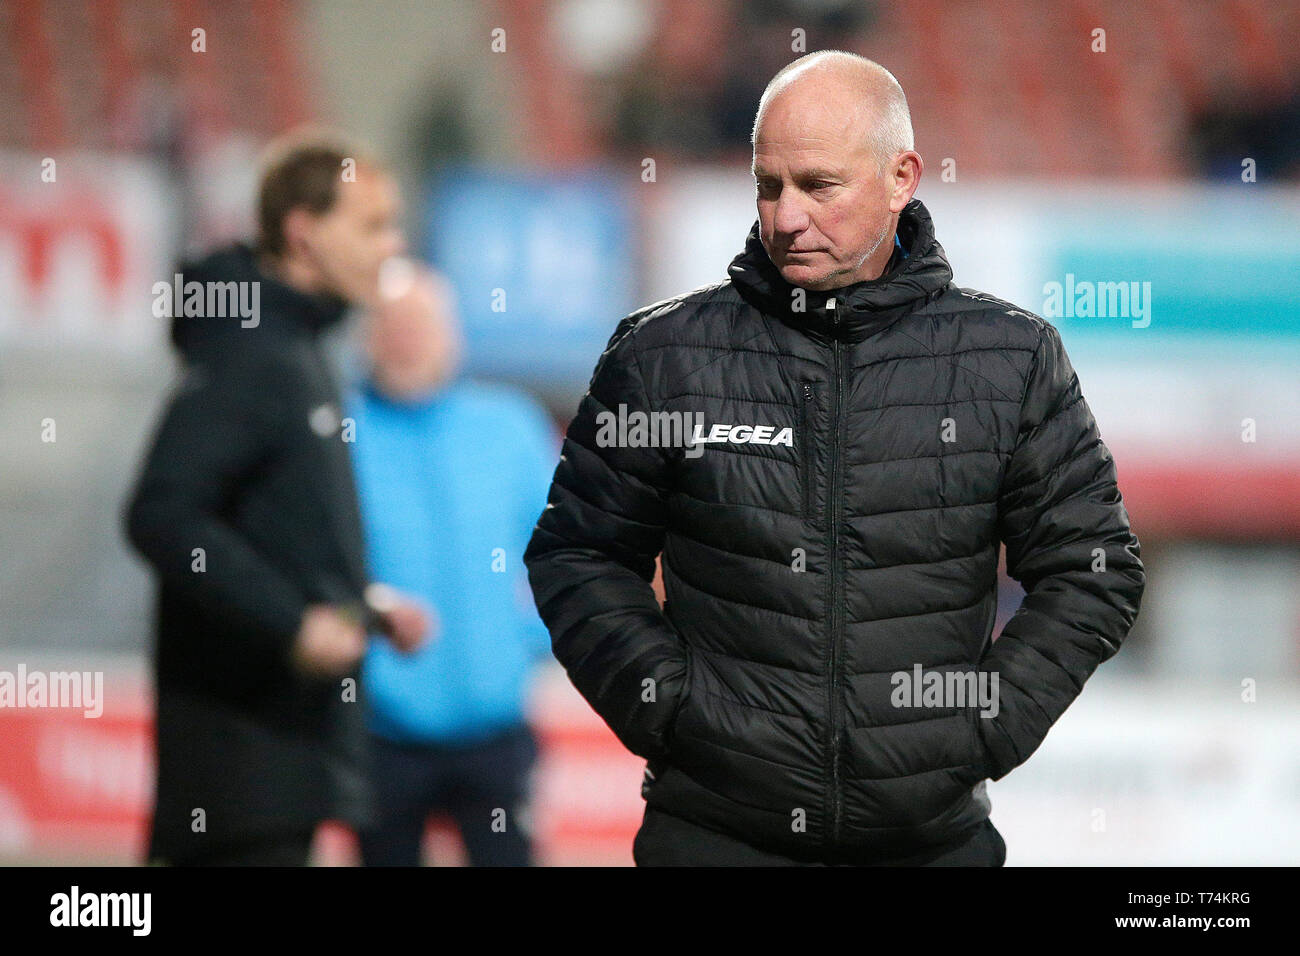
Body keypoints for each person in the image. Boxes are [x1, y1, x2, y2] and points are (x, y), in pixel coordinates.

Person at [523, 51, 1146, 866]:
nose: (785, 217)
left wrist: (979, 725)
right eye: (768, 185)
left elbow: (1092, 568)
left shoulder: (1011, 359)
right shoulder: (663, 356)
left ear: (901, 177)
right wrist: (672, 712)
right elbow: (579, 553)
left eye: (818, 186)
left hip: (929, 843)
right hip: (713, 837)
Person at [125, 133, 428, 866]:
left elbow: (270, 530)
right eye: (372, 224)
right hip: (239, 771)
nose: (392, 247)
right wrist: (293, 621)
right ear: (302, 232)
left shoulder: (295, 346)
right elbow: (162, 513)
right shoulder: (254, 351)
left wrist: (361, 605)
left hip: (272, 760)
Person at [347, 264, 557, 867]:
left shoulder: (509, 427)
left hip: (496, 728)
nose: (406, 339)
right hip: (379, 732)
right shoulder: (336, 432)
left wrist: (531, 641)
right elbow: (312, 569)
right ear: (366, 335)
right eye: (391, 324)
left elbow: (565, 548)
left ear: (453, 334)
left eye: (421, 324)